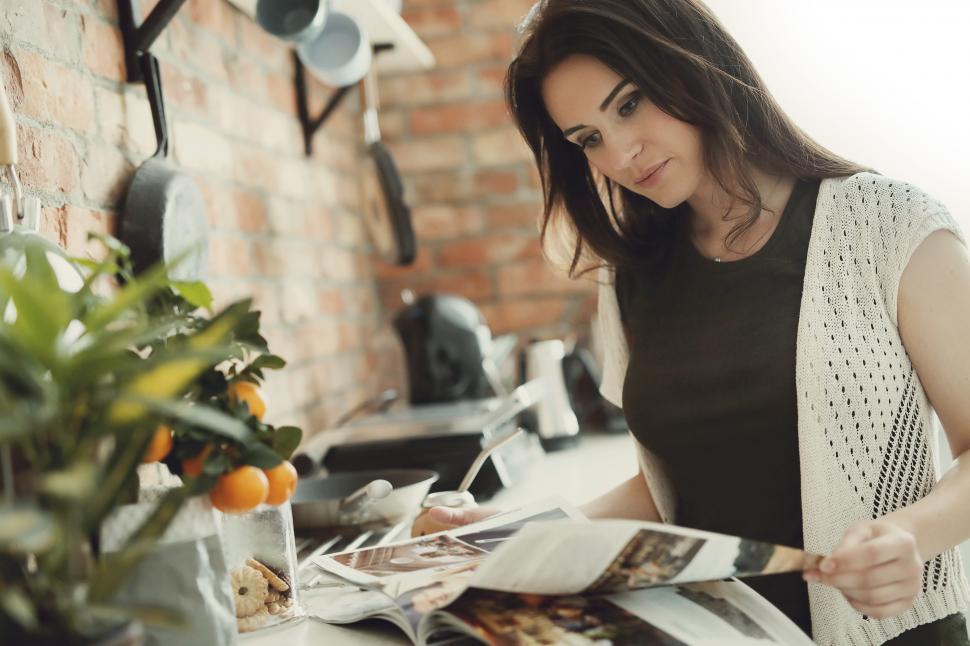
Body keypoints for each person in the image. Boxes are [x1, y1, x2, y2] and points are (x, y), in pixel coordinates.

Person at [412, 1, 970, 644]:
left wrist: (909, 536)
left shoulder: (886, 224)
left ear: (691, 63)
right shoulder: (629, 276)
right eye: (588, 139)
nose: (620, 153)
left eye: (629, 104)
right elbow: (673, 489)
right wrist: (504, 531)